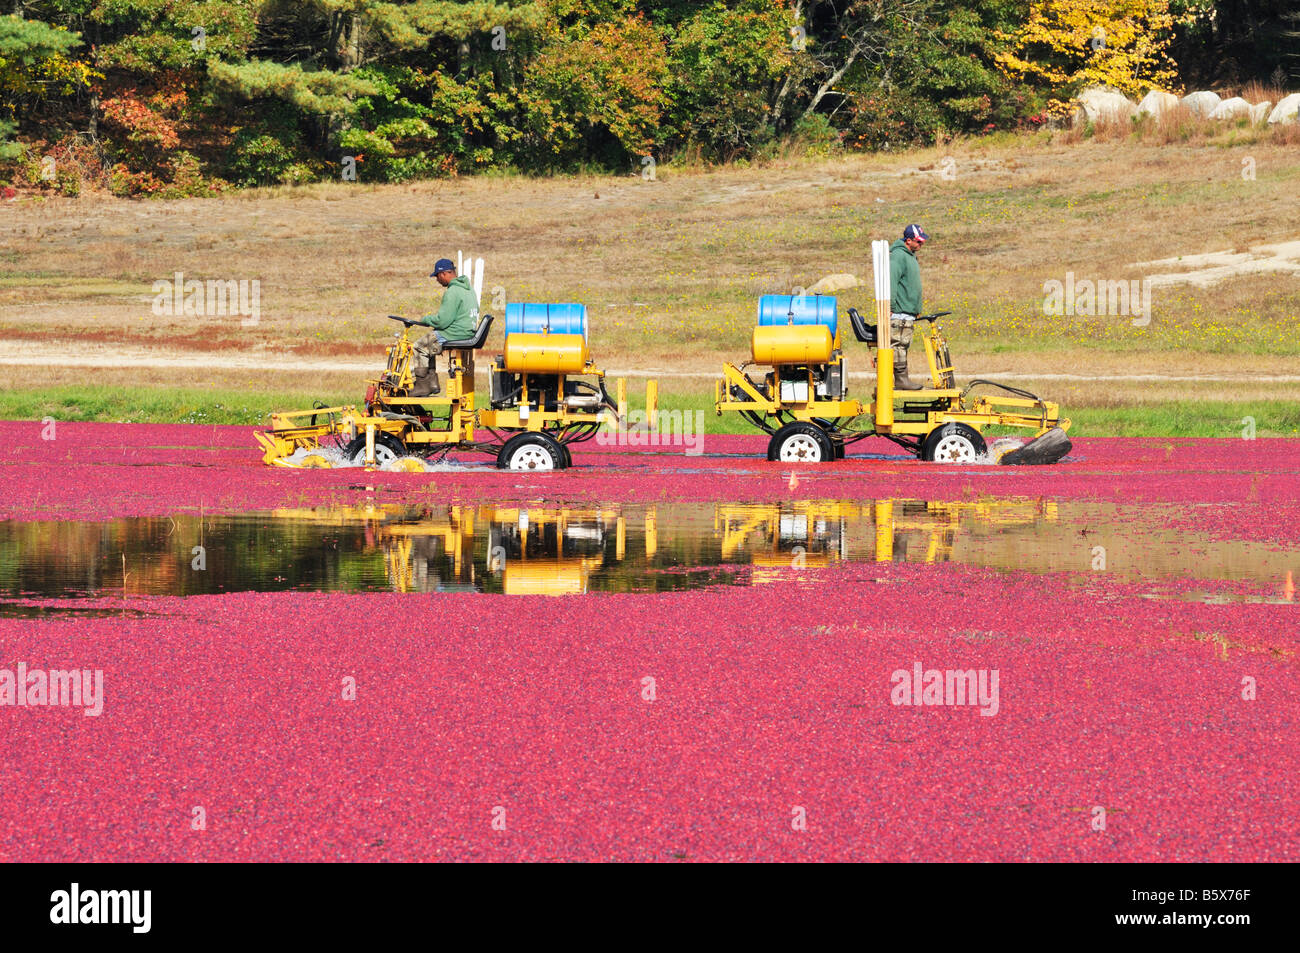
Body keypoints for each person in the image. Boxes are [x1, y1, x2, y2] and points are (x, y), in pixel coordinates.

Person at [411, 258, 479, 397]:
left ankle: (422, 385)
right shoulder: (469, 289)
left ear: (444, 274)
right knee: (430, 343)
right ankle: (432, 384)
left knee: (419, 346)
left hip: (455, 333)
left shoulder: (453, 291)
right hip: (468, 331)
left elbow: (442, 321)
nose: (437, 280)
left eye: (437, 276)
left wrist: (426, 319)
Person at [888, 224, 928, 391]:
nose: (921, 244)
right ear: (908, 240)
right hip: (899, 313)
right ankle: (901, 380)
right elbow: (891, 281)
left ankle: (902, 379)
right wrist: (891, 306)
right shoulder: (898, 256)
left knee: (903, 345)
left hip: (908, 312)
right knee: (898, 345)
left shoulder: (910, 256)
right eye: (918, 241)